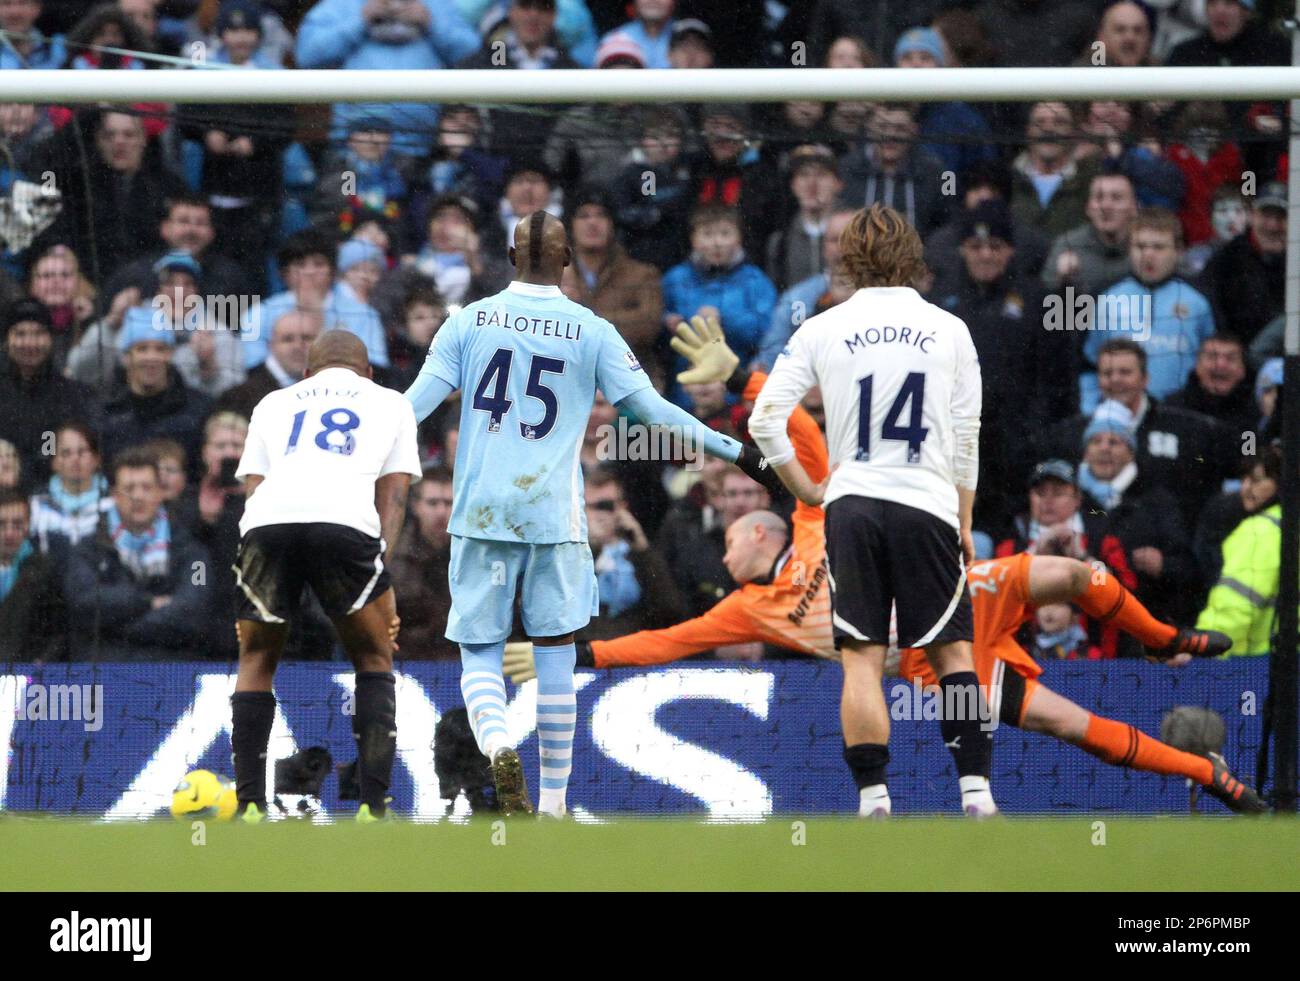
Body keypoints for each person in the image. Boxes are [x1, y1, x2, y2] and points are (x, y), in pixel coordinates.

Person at [505, 318, 1259, 814]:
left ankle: (1163, 638)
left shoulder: (810, 515)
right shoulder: (744, 611)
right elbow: (660, 644)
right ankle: (1208, 774)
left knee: (1073, 574)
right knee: (1075, 727)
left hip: (958, 595)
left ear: (760, 528)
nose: (722, 546)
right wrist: (569, 654)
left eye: (732, 534)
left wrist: (743, 378)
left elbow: (799, 432)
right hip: (930, 662)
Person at [402, 210, 782, 818]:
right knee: (555, 654)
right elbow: (656, 414)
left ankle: (497, 743)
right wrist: (741, 453)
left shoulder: (468, 322)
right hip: (554, 515)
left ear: (507, 254)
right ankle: (553, 803)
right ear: (566, 262)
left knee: (480, 653)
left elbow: (411, 409)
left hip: (480, 515)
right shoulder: (592, 329)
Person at [750, 203, 996, 817]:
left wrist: (808, 489)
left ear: (847, 259)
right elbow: (967, 437)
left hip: (853, 504)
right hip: (927, 503)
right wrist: (964, 522)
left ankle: (873, 798)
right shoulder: (950, 328)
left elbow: (763, 419)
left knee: (860, 658)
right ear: (913, 257)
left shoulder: (822, 326)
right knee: (952, 655)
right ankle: (976, 792)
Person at [230, 331, 422, 823]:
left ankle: (250, 806)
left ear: (306, 375)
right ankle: (371, 807)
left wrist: (257, 571)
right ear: (369, 372)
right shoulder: (392, 402)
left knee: (255, 657)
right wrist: (381, 573)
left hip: (266, 523)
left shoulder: (273, 402)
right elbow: (394, 494)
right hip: (345, 523)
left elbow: (254, 487)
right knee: (374, 656)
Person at [64, 447, 213, 660]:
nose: (137, 496)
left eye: (146, 487)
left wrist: (118, 626)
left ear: (160, 492)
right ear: (114, 494)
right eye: (129, 488)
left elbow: (193, 609)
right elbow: (84, 602)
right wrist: (147, 602)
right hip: (105, 672)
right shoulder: (88, 549)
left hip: (172, 672)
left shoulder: (192, 552)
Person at [1081, 207, 1215, 410]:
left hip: (1181, 414)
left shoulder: (1198, 301)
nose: (1148, 255)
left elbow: (1212, 363)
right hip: (1119, 415)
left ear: (1178, 251)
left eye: (1158, 247)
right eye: (1140, 246)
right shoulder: (1107, 298)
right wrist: (1090, 410)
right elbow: (1089, 364)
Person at [388, 465, 457, 660]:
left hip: (461, 660)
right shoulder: (394, 555)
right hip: (405, 662)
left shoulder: (472, 556)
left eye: (449, 503)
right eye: (433, 503)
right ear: (416, 506)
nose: (442, 512)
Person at [28, 421, 107, 558]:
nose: (75, 459)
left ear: (96, 460)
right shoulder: (35, 505)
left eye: (82, 452)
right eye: (66, 453)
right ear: (54, 462)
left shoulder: (114, 502)